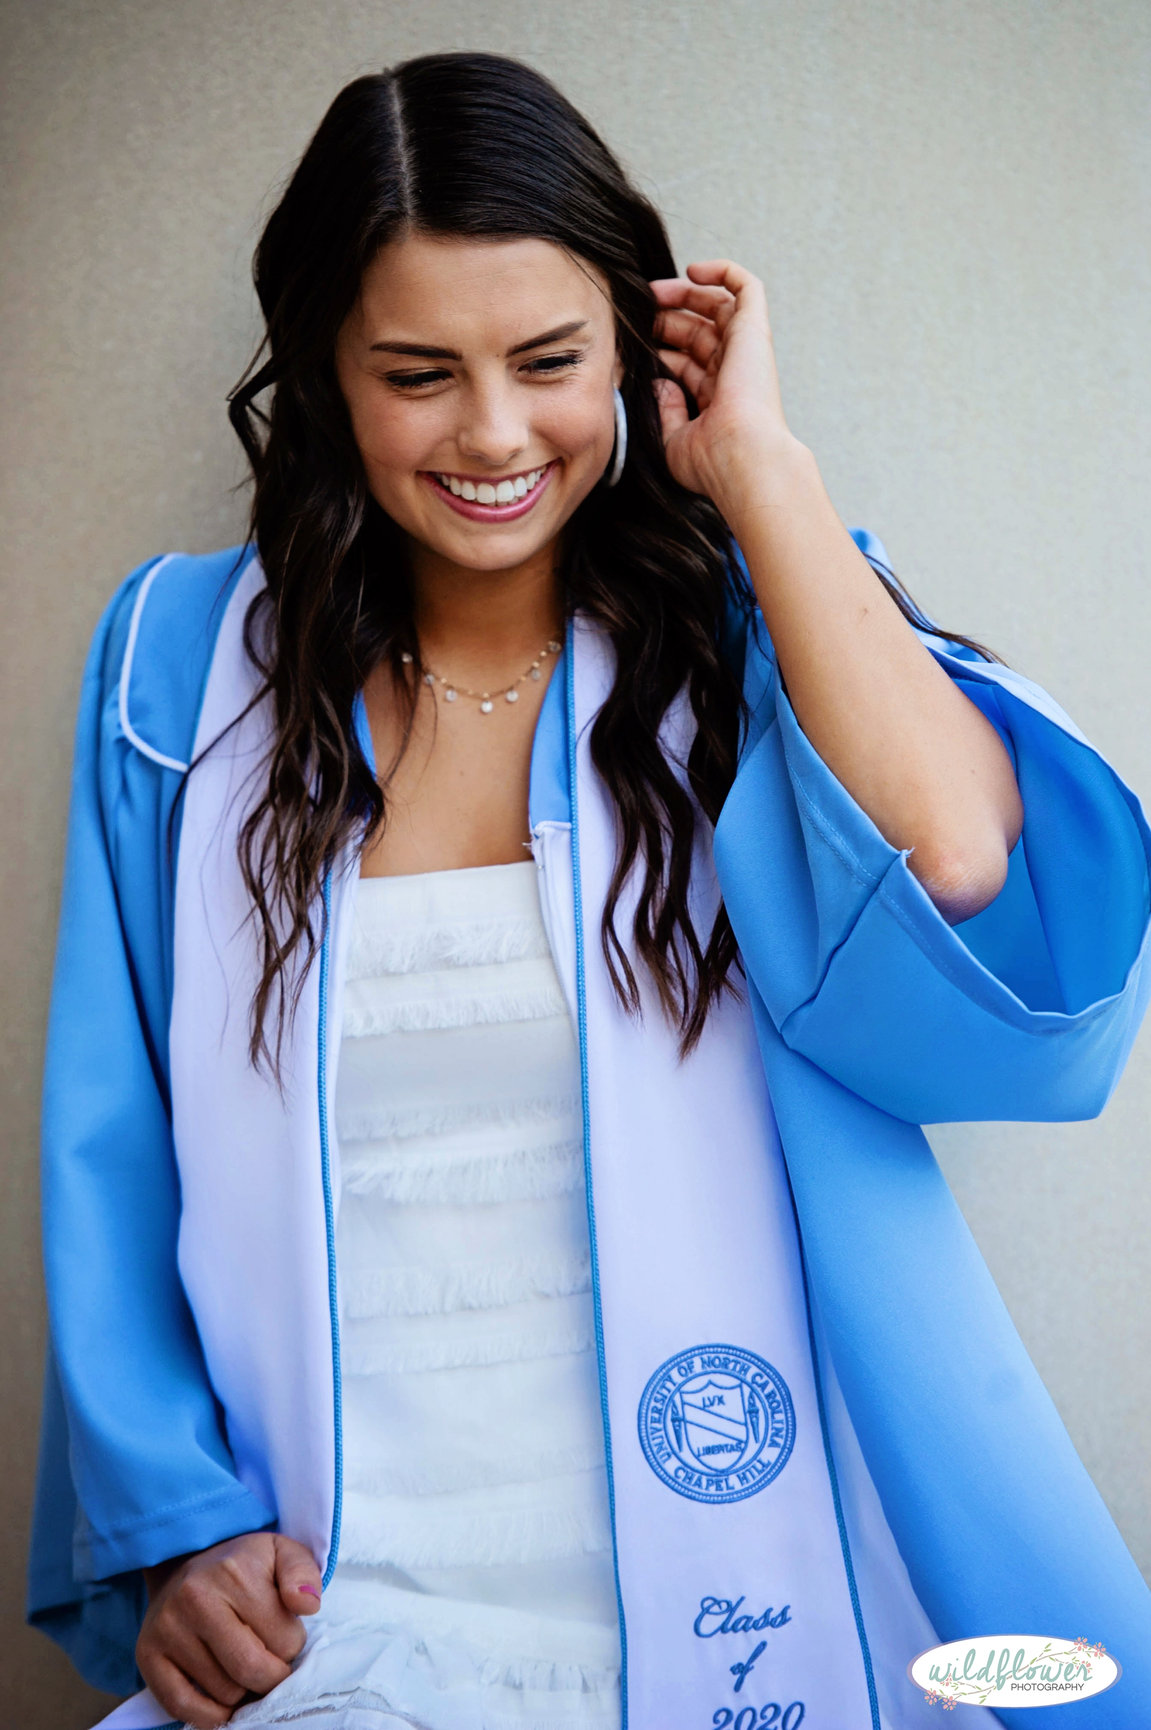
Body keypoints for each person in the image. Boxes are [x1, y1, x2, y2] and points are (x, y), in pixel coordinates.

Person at [26, 48, 1151, 1730]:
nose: (493, 432)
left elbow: (966, 861)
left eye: (550, 360)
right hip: (349, 1592)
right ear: (328, 375)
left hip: (752, 1570)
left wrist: (763, 473)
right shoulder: (183, 676)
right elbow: (104, 1138)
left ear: (630, 348)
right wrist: (174, 1526)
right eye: (419, 372)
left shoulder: (746, 634)